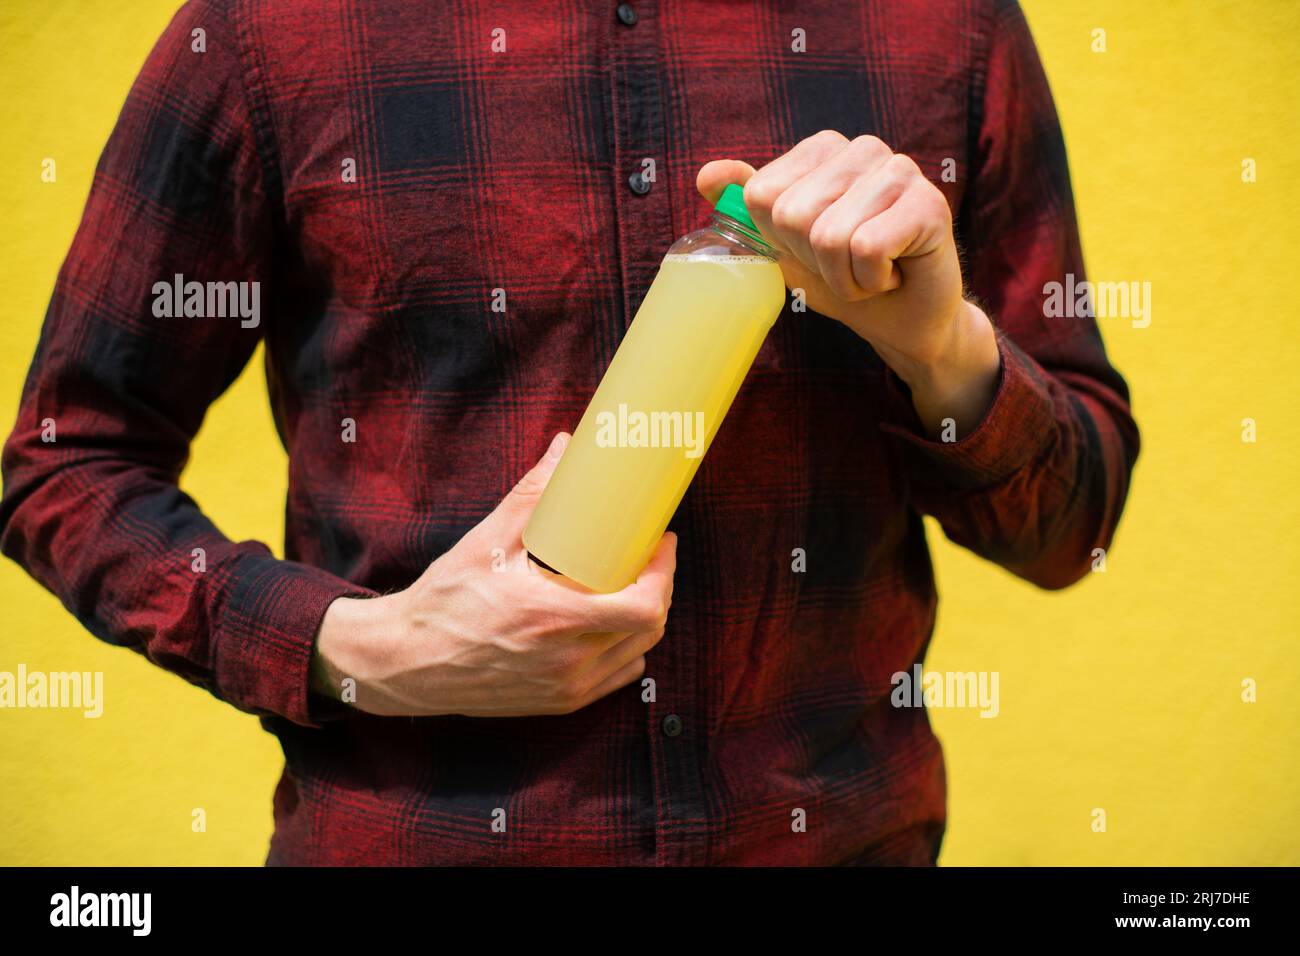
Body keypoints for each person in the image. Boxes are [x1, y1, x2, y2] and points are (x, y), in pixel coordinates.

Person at [0, 0, 1138, 865]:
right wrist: (362, 648)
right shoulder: (269, 31)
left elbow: (1071, 525)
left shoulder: (944, 26)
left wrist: (941, 343)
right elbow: (65, 461)